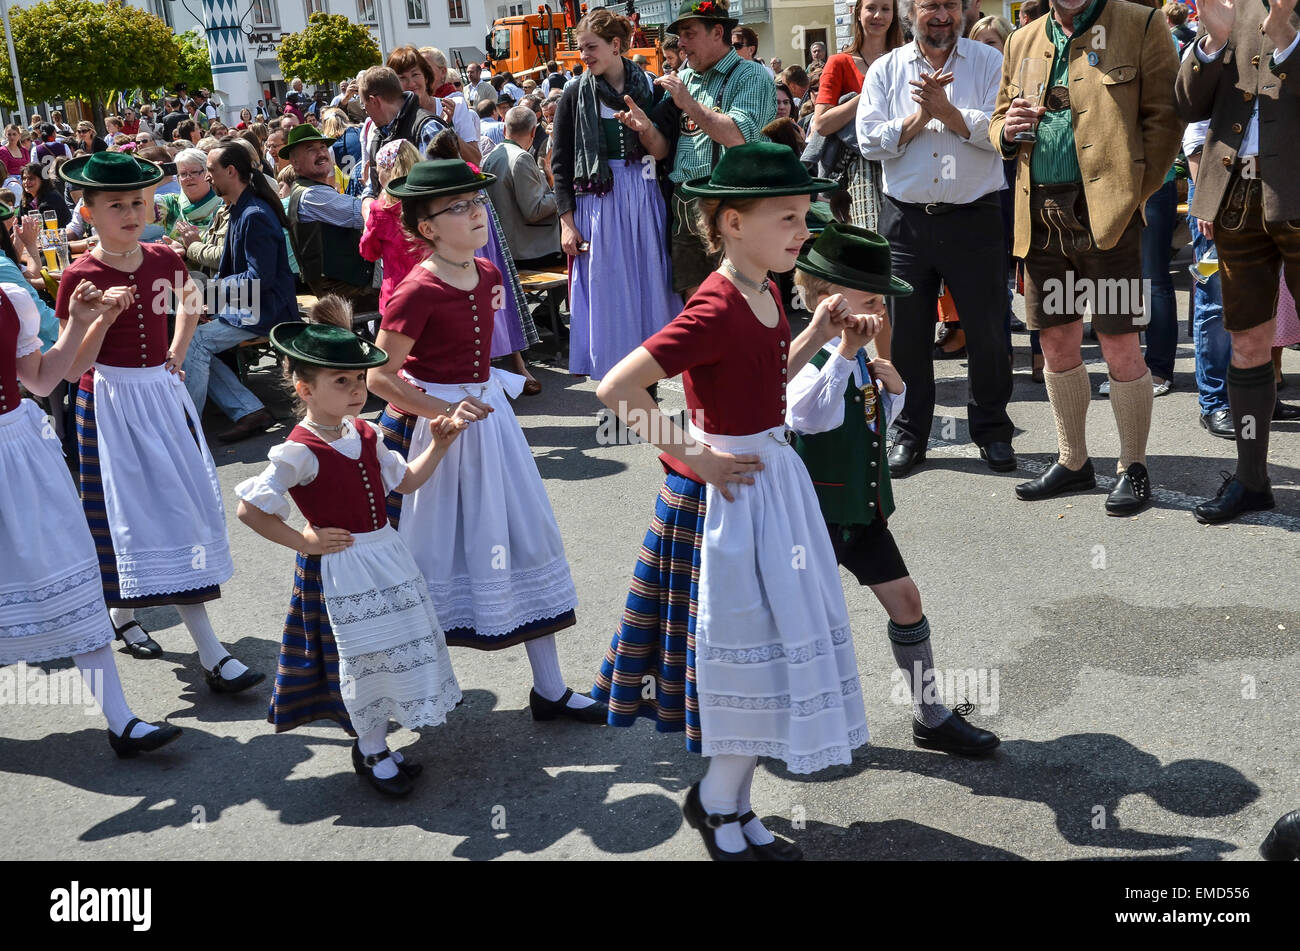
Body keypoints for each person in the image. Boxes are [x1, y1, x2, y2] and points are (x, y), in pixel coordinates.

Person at [593, 143, 867, 861]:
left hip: (768, 482)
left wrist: (817, 333)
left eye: (804, 215)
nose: (802, 230)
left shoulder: (766, 288)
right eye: (787, 216)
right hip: (726, 496)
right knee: (744, 649)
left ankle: (733, 802)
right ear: (732, 221)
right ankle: (720, 803)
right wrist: (695, 455)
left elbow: (765, 374)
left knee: (769, 648)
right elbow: (618, 388)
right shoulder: (714, 301)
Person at [370, 159, 603, 723]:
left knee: (522, 536)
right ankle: (406, 700)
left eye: (478, 202)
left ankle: (549, 689)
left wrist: (495, 386)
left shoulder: (489, 274)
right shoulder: (413, 290)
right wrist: (443, 410)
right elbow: (380, 376)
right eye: (459, 208)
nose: (477, 213)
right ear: (426, 228)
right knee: (422, 558)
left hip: (489, 422)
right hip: (433, 432)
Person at [235, 298, 464, 796]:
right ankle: (372, 748)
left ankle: (374, 742)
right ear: (304, 388)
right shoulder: (298, 450)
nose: (357, 390)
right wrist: (303, 540)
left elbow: (405, 484)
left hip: (388, 557)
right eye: (342, 382)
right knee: (365, 657)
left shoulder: (367, 433)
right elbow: (250, 509)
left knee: (396, 648)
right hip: (342, 568)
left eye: (359, 380)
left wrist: (440, 445)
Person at [53, 152, 263, 693]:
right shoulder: (80, 275)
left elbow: (191, 303)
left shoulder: (163, 259)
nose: (129, 212)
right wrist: (100, 318)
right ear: (88, 210)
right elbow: (71, 367)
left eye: (137, 202)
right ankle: (126, 614)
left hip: (160, 395)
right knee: (125, 517)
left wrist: (177, 350)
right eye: (115, 204)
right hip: (108, 401)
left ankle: (207, 646)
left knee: (179, 511)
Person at [789, 220, 1000, 756]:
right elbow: (806, 416)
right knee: (800, 625)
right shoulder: (814, 358)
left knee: (906, 601)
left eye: (882, 299)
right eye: (869, 298)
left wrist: (895, 390)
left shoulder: (860, 355)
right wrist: (842, 357)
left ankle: (929, 716)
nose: (880, 310)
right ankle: (780, 720)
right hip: (812, 518)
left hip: (861, 512)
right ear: (829, 301)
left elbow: (869, 419)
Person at [993, 0, 1181, 516]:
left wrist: (1134, 196)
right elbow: (998, 118)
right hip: (1042, 214)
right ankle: (1073, 460)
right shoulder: (1022, 38)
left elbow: (1164, 118)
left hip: (1107, 218)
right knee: (1056, 340)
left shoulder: (1139, 22)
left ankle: (1132, 466)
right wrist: (1006, 130)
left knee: (1120, 342)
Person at [1, 277, 185, 757]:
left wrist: (80, 323)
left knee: (72, 571)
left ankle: (121, 721)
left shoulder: (9, 298)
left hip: (18, 449)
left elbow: (40, 380)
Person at [859, 0, 1017, 478]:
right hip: (905, 221)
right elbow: (868, 140)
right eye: (931, 5)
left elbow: (1001, 134)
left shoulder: (991, 63)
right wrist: (917, 119)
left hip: (976, 217)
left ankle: (991, 431)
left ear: (964, 11)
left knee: (988, 333)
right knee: (907, 336)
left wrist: (947, 112)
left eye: (950, 4)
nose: (941, 15)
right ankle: (909, 434)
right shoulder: (886, 69)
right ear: (912, 13)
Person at [1175, 0, 1300, 523]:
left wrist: (1287, 40)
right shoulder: (1231, 10)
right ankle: (1252, 480)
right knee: (1248, 341)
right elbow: (1189, 105)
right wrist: (1214, 43)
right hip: (1235, 200)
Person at [553, 8, 681, 381]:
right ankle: (617, 390)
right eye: (581, 48)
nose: (584, 55)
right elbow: (560, 162)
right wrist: (567, 223)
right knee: (610, 294)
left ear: (615, 45)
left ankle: (650, 383)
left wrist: (644, 128)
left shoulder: (651, 87)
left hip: (643, 196)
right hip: (600, 202)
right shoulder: (575, 93)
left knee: (647, 288)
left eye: (591, 47)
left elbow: (661, 153)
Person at [625, 0, 775, 301]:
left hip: (732, 199)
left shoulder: (751, 75)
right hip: (685, 199)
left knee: (739, 297)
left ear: (717, 32)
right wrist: (645, 129)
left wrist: (688, 103)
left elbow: (737, 136)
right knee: (697, 303)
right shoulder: (686, 79)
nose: (681, 44)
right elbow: (662, 150)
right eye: (680, 35)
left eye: (689, 34)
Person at [182, 139, 297, 443]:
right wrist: (211, 300)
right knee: (188, 335)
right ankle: (248, 410)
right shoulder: (241, 208)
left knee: (193, 341)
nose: (207, 177)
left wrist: (210, 296)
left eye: (210, 171)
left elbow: (259, 281)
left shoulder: (254, 214)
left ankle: (186, 427)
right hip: (253, 303)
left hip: (268, 309)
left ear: (230, 171)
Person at [424, 129, 543, 395]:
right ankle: (502, 369)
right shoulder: (456, 177)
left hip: (482, 246)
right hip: (469, 247)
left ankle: (511, 368)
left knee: (494, 301)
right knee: (484, 304)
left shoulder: (465, 175)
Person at [815, 0, 905, 234]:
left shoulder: (905, 61)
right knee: (873, 241)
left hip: (905, 160)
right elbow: (822, 124)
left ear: (894, 15)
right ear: (857, 13)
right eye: (871, 8)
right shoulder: (839, 63)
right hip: (862, 168)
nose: (878, 15)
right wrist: (866, 94)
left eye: (885, 9)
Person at [283, 124, 380, 312]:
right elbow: (367, 216)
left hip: (348, 286)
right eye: (311, 149)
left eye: (322, 147)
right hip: (347, 292)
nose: (321, 153)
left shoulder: (311, 189)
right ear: (294, 163)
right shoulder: (311, 195)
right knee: (411, 288)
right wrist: (372, 186)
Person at [482, 106, 561, 268]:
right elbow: (534, 210)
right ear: (533, 132)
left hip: (506, 247)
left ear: (504, 128)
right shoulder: (521, 158)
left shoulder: (493, 155)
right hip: (528, 250)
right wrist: (561, 194)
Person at [359, 140, 426, 313]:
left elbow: (368, 252)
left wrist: (368, 222)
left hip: (398, 295)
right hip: (434, 290)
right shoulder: (430, 200)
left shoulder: (380, 210)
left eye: (378, 169)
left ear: (388, 171)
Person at [359, 65, 445, 198]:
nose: (367, 113)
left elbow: (444, 186)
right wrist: (367, 202)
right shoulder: (379, 138)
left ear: (374, 101)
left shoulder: (426, 127)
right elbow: (373, 187)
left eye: (364, 107)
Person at [154, 148, 222, 239]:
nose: (188, 178)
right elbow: (147, 213)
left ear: (208, 173)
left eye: (194, 172)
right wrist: (151, 179)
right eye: (183, 174)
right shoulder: (172, 203)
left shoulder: (224, 206)